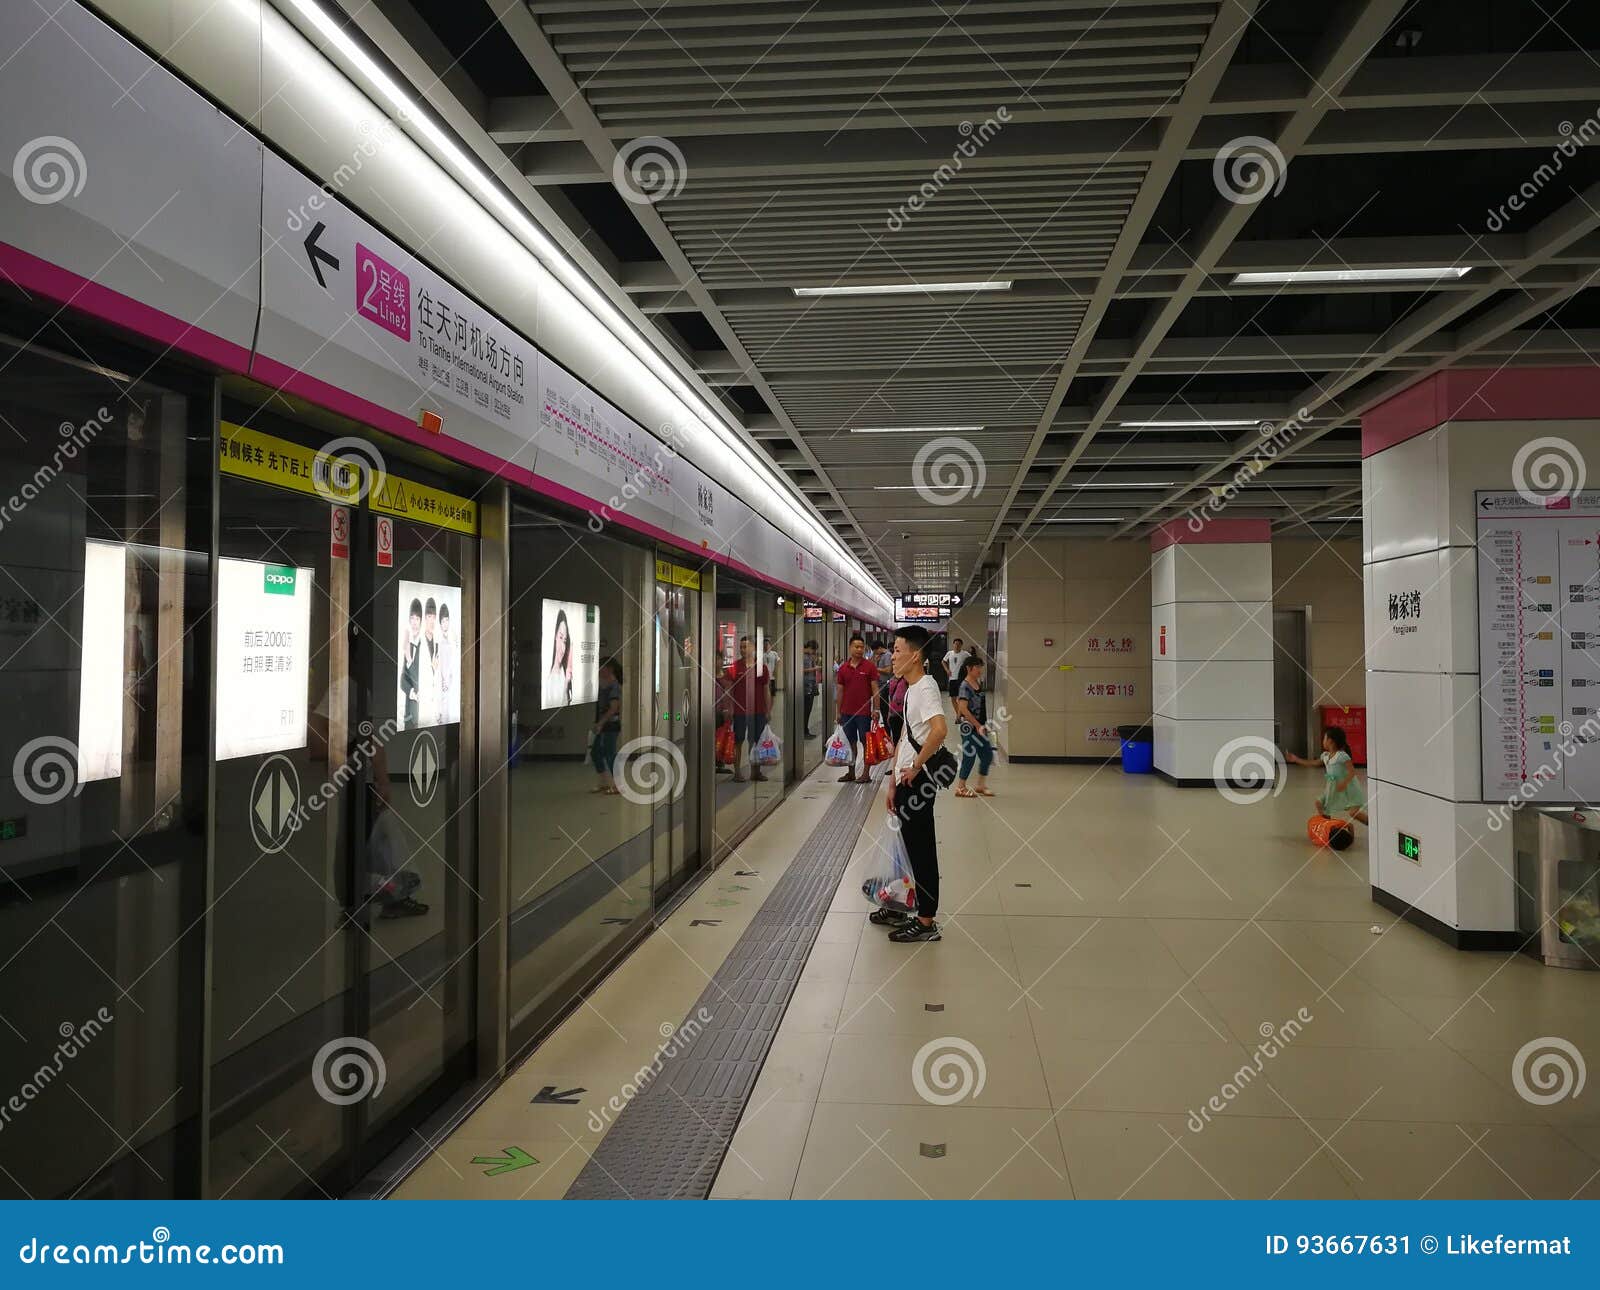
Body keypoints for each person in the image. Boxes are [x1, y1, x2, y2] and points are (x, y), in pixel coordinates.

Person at [884, 625, 948, 943]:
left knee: (921, 851)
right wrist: (893, 782)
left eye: (898, 650)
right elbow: (904, 737)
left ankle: (926, 922)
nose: (893, 656)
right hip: (906, 781)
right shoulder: (910, 688)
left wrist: (916, 766)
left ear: (916, 655)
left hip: (918, 781)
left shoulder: (925, 688)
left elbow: (940, 730)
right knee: (908, 849)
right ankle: (902, 905)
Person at [1287, 726, 1368, 825]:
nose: (1323, 741)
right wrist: (1296, 759)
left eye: (1324, 738)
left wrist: (1344, 783)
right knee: (1319, 803)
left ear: (1330, 741)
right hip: (1332, 789)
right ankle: (1328, 826)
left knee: (1353, 813)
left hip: (1349, 790)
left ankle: (1377, 827)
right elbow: (1312, 763)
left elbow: (1352, 772)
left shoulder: (1342, 756)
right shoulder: (1326, 756)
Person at [725, 635, 772, 783]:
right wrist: (729, 709)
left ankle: (756, 771)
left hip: (758, 711)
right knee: (738, 740)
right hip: (739, 711)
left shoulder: (761, 667)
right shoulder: (734, 667)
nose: (743, 650)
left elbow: (766, 690)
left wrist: (768, 709)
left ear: (753, 648)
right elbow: (729, 690)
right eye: (741, 647)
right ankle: (737, 772)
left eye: (746, 647)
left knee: (756, 741)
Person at [834, 632, 879, 783]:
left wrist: (876, 709)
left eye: (861, 647)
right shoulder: (843, 668)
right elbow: (839, 691)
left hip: (864, 713)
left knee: (866, 743)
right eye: (856, 646)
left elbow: (875, 689)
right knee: (850, 743)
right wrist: (838, 712)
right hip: (847, 713)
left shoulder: (869, 667)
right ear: (850, 648)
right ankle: (851, 772)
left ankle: (866, 774)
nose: (859, 649)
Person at [952, 654, 995, 798]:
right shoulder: (965, 686)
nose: (980, 670)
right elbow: (963, 708)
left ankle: (981, 785)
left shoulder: (977, 683)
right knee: (969, 756)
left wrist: (983, 724)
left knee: (987, 755)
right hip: (970, 727)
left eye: (980, 667)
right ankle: (960, 787)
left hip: (980, 726)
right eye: (977, 668)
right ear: (969, 669)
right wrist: (976, 725)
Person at [590, 657, 623, 794]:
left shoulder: (614, 686)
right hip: (603, 725)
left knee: (610, 754)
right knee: (595, 753)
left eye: (601, 667)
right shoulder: (603, 685)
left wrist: (601, 722)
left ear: (609, 669)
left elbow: (614, 708)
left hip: (611, 726)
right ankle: (603, 782)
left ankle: (618, 786)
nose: (598, 670)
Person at [400, 597, 423, 729]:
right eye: (412, 618)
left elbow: (419, 680)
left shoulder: (422, 645)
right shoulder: (408, 644)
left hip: (419, 715)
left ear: (421, 621)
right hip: (408, 717)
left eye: (417, 618)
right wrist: (410, 692)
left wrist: (409, 658)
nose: (414, 622)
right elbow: (402, 680)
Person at [547, 607, 573, 707]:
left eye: (565, 640)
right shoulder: (550, 680)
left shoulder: (565, 671)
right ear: (555, 637)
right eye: (560, 637)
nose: (563, 646)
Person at [436, 601, 456, 724]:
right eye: (443, 621)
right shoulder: (438, 640)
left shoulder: (452, 639)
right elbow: (439, 662)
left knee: (448, 708)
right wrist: (442, 679)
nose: (445, 623)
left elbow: (453, 662)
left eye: (447, 620)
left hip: (450, 679)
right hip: (440, 679)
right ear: (440, 623)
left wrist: (448, 679)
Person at [802, 638, 820, 737]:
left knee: (808, 711)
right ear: (809, 648)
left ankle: (805, 729)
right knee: (805, 710)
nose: (814, 652)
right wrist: (814, 668)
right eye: (813, 650)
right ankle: (804, 731)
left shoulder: (809, 657)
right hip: (805, 686)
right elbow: (800, 670)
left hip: (810, 686)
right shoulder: (803, 657)